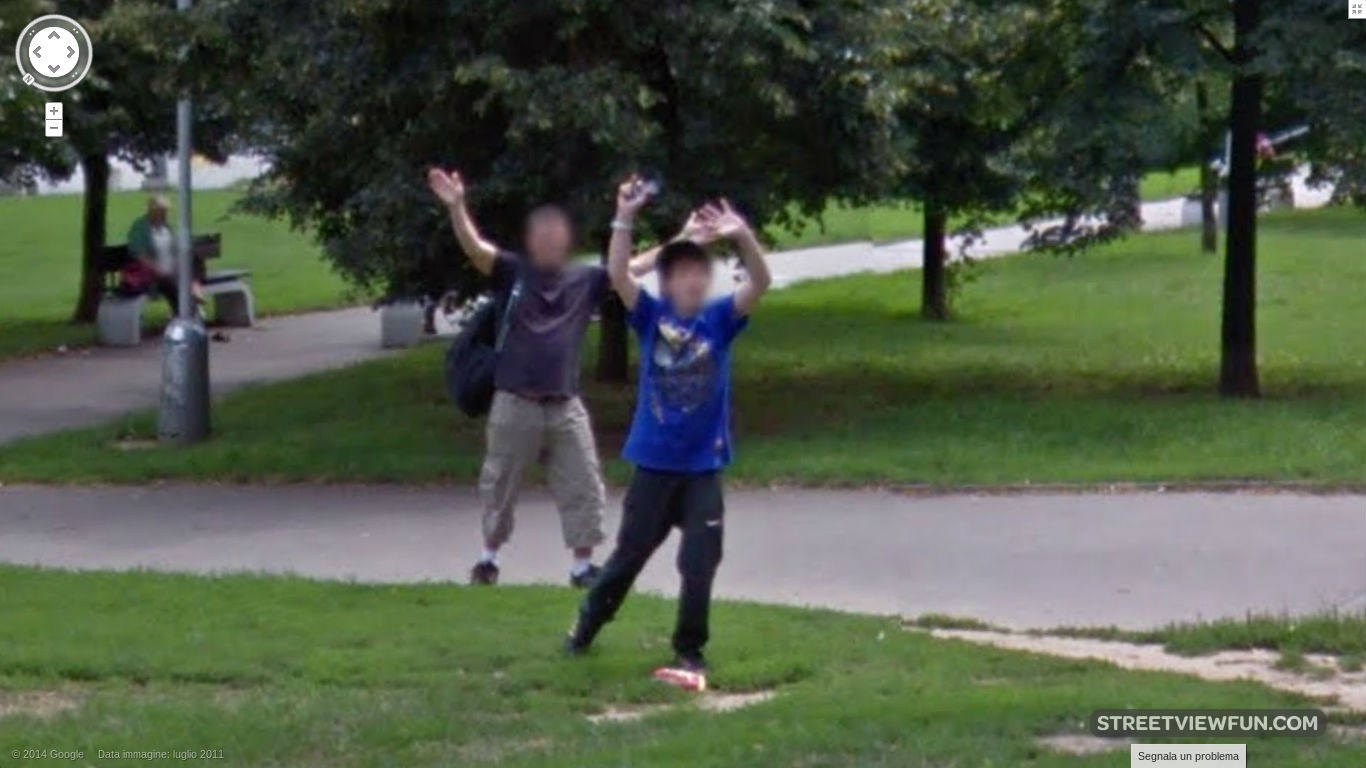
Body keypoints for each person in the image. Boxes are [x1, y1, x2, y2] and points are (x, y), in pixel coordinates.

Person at [426, 168, 700, 587]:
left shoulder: (584, 280)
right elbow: (477, 250)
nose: (551, 239)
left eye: (558, 232)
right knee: (500, 485)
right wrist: (457, 206)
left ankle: (582, 567)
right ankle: (488, 559)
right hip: (515, 400)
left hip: (564, 403)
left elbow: (634, 266)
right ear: (532, 240)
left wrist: (687, 238)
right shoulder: (514, 272)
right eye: (543, 232)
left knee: (584, 483)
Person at [564, 176, 771, 682]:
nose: (691, 281)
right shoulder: (650, 317)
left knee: (700, 561)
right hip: (655, 466)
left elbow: (761, 282)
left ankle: (689, 649)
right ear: (666, 283)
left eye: (698, 273)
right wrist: (625, 216)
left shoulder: (720, 320)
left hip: (703, 469)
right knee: (629, 557)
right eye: (679, 274)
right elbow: (617, 273)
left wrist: (741, 235)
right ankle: (586, 627)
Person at [119, 196, 202, 314]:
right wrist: (159, 270)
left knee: (191, 265)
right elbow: (140, 256)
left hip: (170, 272)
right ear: (152, 211)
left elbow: (175, 250)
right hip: (149, 275)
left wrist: (177, 265)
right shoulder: (140, 227)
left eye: (165, 211)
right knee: (173, 283)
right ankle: (188, 310)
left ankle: (191, 301)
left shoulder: (166, 227)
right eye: (161, 210)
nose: (164, 214)